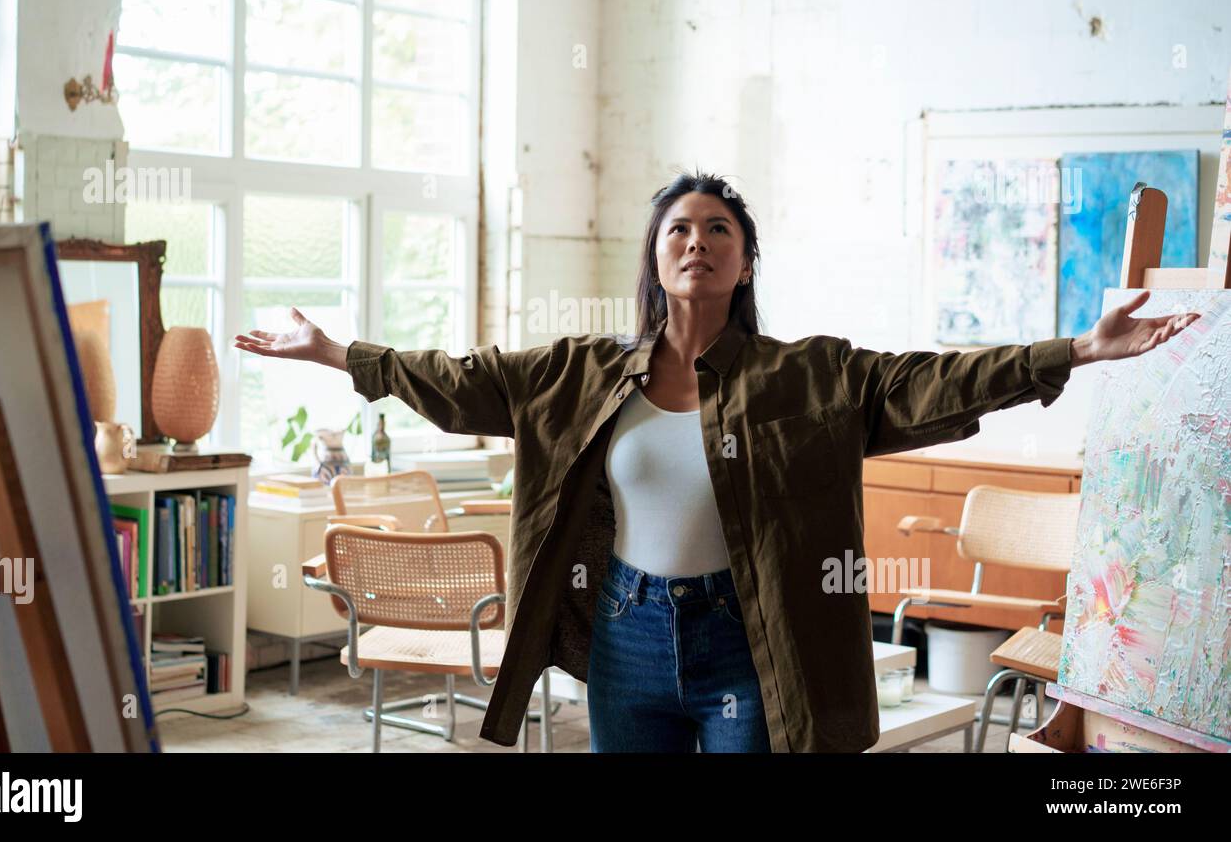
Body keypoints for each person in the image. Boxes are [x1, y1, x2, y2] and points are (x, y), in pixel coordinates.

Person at [235, 171, 1200, 753]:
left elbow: (937, 380)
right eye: (679, 230)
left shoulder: (809, 375)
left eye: (719, 230)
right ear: (655, 260)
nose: (698, 242)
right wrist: (336, 354)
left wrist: (1077, 348)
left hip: (751, 631)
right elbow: (450, 376)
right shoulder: (575, 371)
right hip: (626, 636)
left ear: (744, 263)